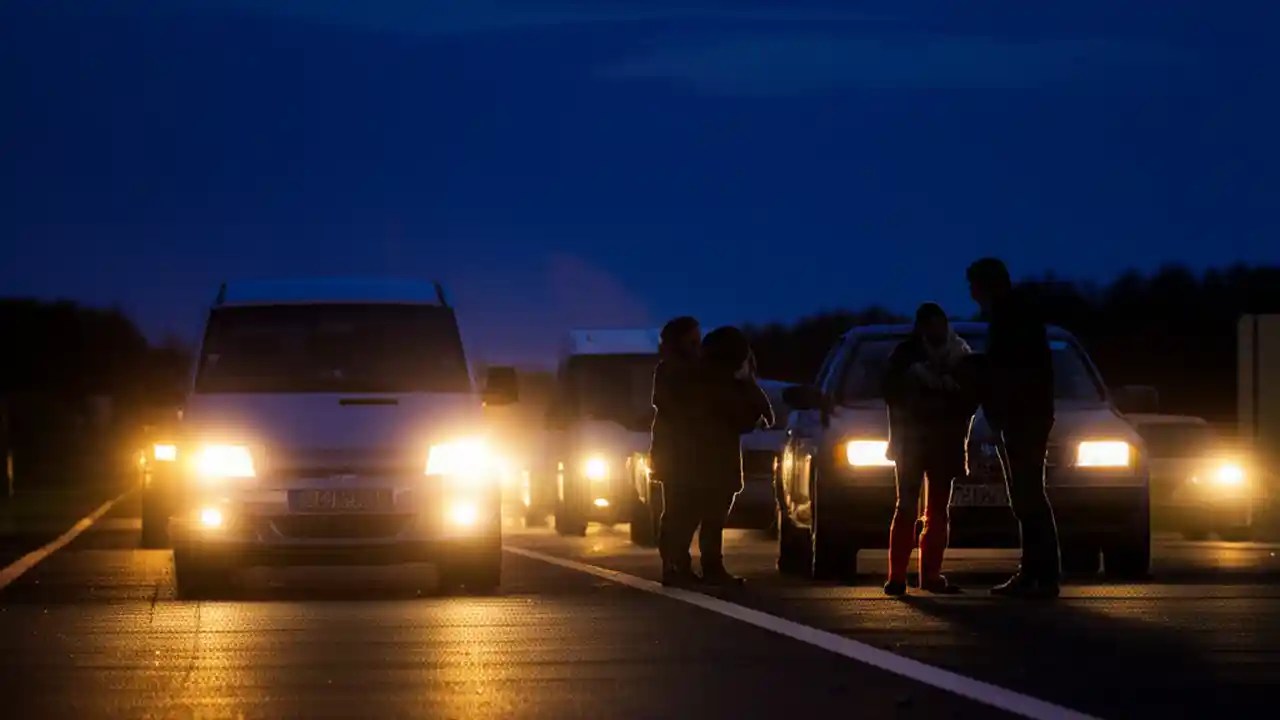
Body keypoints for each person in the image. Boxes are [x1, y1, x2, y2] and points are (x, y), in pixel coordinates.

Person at [967, 257, 1061, 599]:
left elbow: (1010, 369)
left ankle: (1041, 574)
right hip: (1025, 414)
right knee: (1027, 494)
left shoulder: (1010, 317)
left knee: (1028, 495)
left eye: (974, 286)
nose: (971, 293)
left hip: (1023, 416)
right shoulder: (1015, 314)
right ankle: (1036, 571)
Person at [663, 326, 773, 587]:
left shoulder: (695, 378)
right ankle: (699, 567)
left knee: (692, 517)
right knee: (707, 518)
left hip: (697, 462)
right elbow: (746, 417)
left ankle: (682, 567)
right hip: (713, 462)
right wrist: (747, 384)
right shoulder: (721, 383)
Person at [882, 303, 975, 596]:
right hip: (913, 442)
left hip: (943, 442)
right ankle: (898, 576)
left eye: (939, 324)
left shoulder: (960, 355)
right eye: (930, 325)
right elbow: (890, 391)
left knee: (937, 509)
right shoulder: (907, 356)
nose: (935, 330)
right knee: (907, 507)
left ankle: (929, 575)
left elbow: (971, 396)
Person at [651, 316, 703, 586]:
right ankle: (674, 564)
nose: (698, 340)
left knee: (689, 508)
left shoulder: (694, 365)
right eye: (693, 336)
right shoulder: (670, 369)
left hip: (689, 450)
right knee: (677, 509)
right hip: (674, 450)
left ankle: (678, 562)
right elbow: (667, 403)